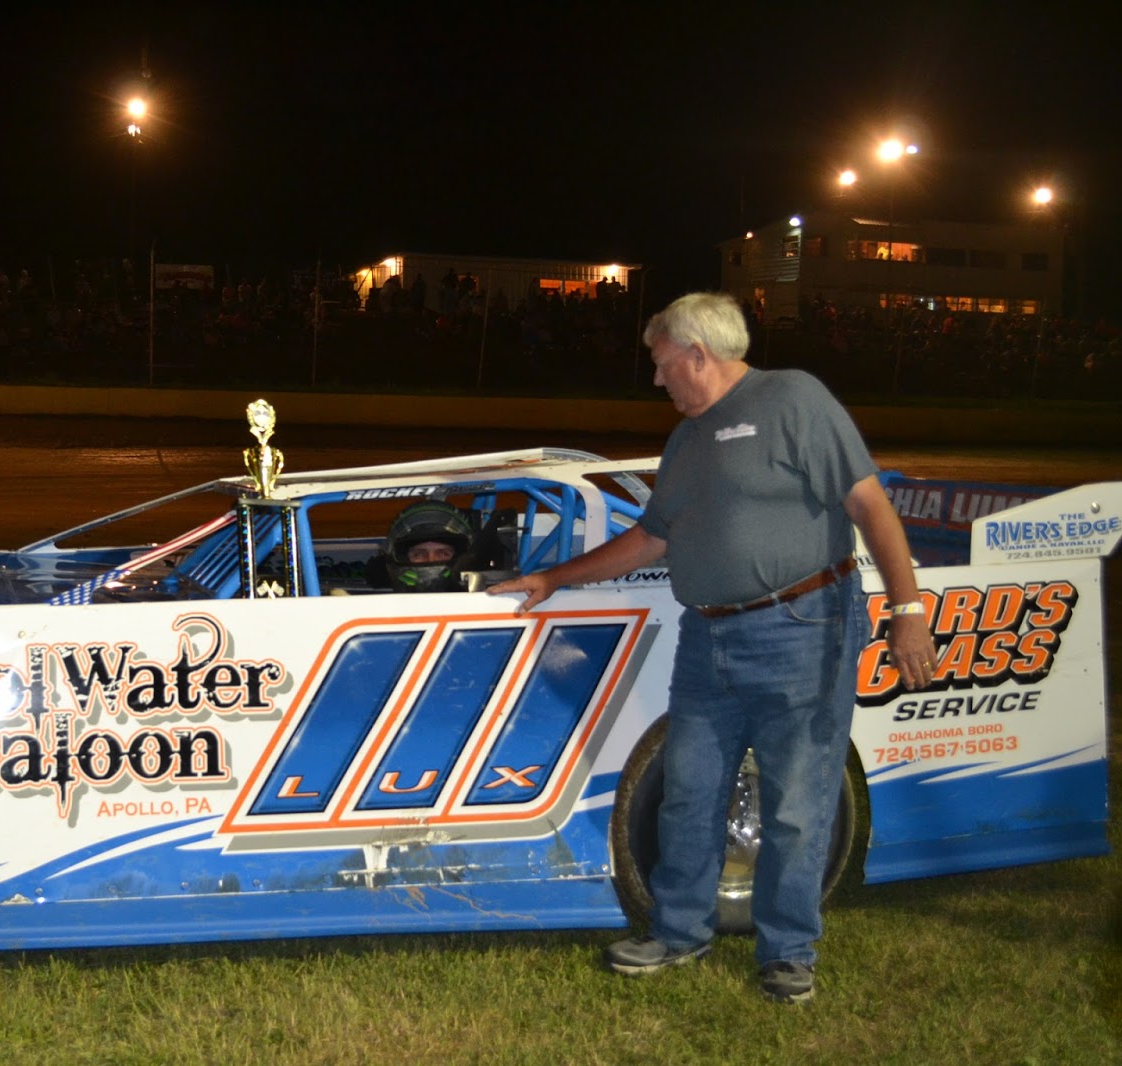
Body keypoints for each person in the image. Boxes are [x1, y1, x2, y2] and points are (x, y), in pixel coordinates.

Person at [488, 292, 935, 1004]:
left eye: (664, 365)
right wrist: (551, 577)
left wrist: (907, 608)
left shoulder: (793, 398)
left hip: (802, 627)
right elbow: (651, 539)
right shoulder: (687, 439)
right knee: (690, 792)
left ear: (698, 353)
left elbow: (870, 504)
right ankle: (677, 932)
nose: (658, 380)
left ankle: (788, 951)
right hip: (708, 636)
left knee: (798, 799)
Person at [382, 500, 475, 592]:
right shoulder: (373, 605)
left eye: (444, 554)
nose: (431, 560)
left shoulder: (485, 599)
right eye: (419, 554)